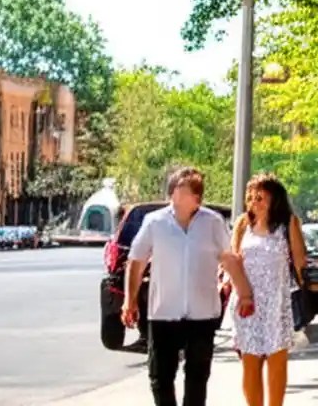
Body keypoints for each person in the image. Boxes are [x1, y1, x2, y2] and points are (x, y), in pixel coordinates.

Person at [123, 167, 252, 406]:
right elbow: (137, 261)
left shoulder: (212, 222)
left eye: (199, 191)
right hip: (164, 313)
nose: (197, 195)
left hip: (202, 314)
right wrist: (129, 301)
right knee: (160, 377)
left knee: (197, 377)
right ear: (174, 192)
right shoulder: (155, 222)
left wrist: (245, 294)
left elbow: (229, 259)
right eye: (192, 190)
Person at [230, 174, 306, 406]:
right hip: (248, 303)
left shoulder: (287, 224)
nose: (254, 202)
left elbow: (300, 260)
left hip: (276, 303)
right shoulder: (243, 224)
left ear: (275, 199)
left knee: (276, 362)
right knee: (250, 363)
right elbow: (234, 261)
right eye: (251, 197)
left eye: (260, 197)